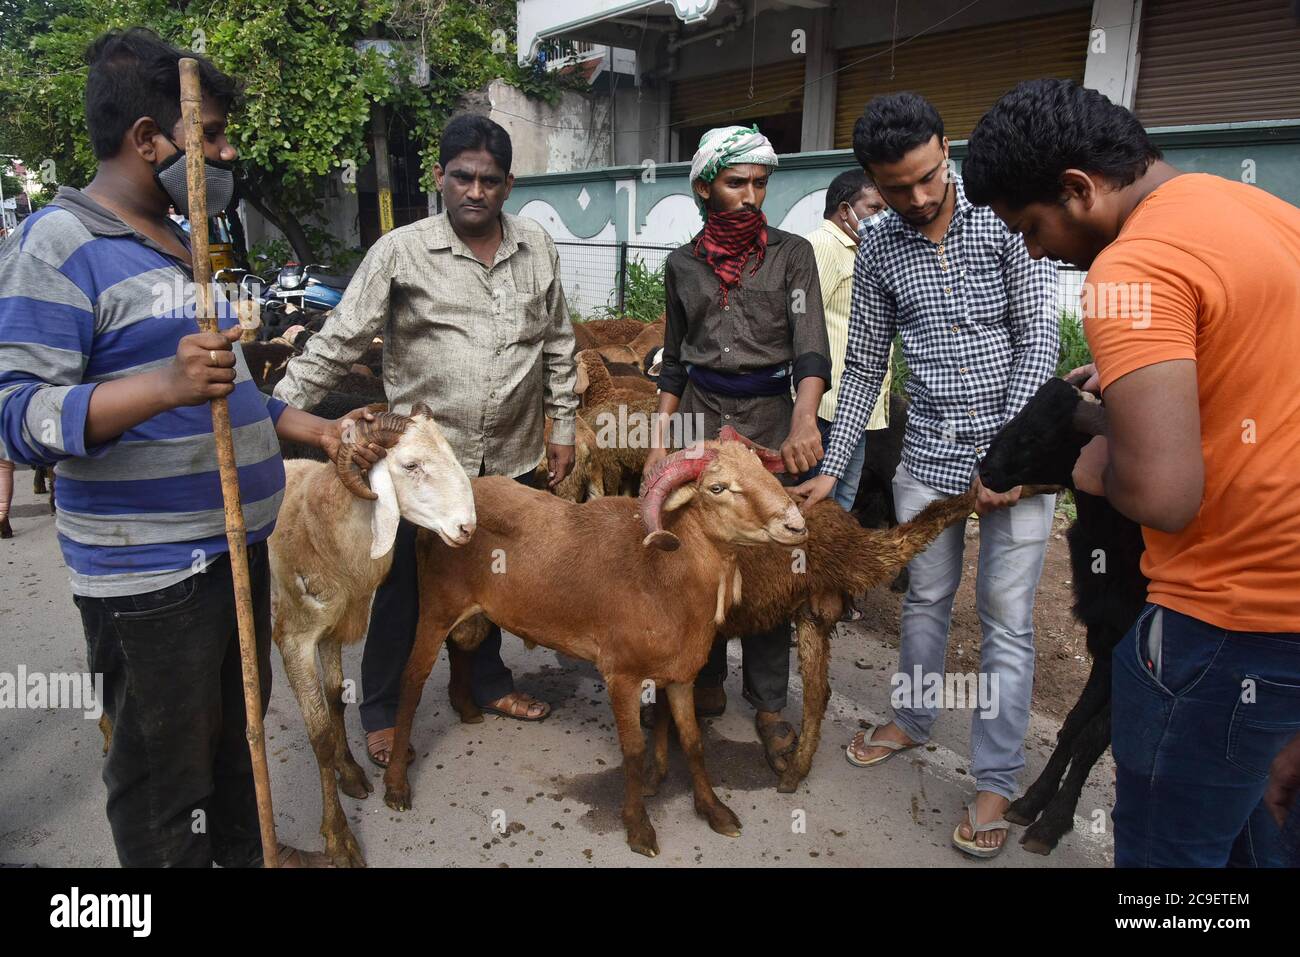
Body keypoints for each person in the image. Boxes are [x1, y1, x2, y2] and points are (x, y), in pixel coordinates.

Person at [0, 28, 373, 866]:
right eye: (210, 137)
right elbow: (16, 415)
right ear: (146, 140)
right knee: (163, 778)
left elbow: (231, 394)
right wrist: (158, 387)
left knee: (237, 740)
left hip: (233, 555)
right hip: (149, 581)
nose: (227, 152)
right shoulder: (56, 247)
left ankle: (250, 856)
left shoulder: (185, 241)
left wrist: (320, 430)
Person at [963, 77, 1300, 867]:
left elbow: (1164, 494)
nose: (1035, 251)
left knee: (1171, 867)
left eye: (1032, 227)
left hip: (1224, 620)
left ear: (1079, 189)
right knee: (1258, 841)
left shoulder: (1133, 270)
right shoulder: (1266, 215)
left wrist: (1097, 462)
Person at [797, 92, 1059, 857]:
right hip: (928, 457)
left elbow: (1037, 335)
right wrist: (834, 463)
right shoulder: (878, 246)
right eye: (895, 185)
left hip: (1019, 458)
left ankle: (996, 776)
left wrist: (1008, 456)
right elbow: (869, 365)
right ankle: (912, 721)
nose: (915, 198)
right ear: (870, 178)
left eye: (926, 177)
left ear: (947, 149)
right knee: (924, 603)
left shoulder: (1000, 215)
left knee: (1007, 619)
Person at [276, 114, 578, 767]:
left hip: (514, 452)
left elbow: (558, 343)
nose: (476, 190)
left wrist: (566, 426)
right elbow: (339, 340)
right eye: (463, 176)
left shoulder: (538, 248)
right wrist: (273, 410)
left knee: (496, 573)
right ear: (439, 177)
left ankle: (487, 682)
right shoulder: (402, 252)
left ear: (508, 185)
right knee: (406, 587)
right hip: (423, 466)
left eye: (490, 180)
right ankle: (382, 707)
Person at [644, 124, 831, 775]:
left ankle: (770, 702)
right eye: (736, 183)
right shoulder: (681, 265)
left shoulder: (792, 255)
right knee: (698, 558)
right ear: (705, 187)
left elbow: (811, 347)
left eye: (760, 183)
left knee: (770, 562)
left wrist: (805, 415)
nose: (751, 196)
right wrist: (658, 439)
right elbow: (673, 362)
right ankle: (701, 675)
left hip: (770, 421)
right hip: (698, 419)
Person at [802, 168, 893, 518]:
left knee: (839, 508)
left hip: (853, 407)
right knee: (818, 509)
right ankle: (805, 573)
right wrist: (805, 411)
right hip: (828, 406)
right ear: (845, 210)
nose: (882, 219)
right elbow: (802, 324)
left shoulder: (861, 252)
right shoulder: (824, 246)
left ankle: (825, 570)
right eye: (874, 209)